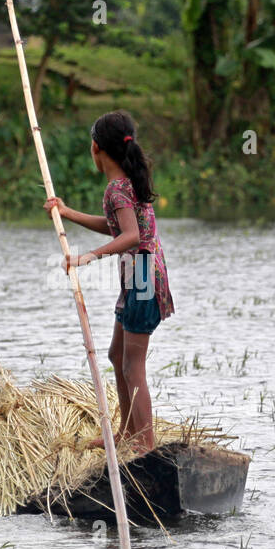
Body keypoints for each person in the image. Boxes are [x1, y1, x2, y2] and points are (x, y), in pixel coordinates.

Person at [44, 110, 174, 453]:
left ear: (96, 149)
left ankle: (143, 444)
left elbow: (129, 236)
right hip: (138, 275)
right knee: (118, 356)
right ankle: (126, 433)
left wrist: (87, 258)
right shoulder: (125, 184)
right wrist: (68, 213)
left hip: (142, 276)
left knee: (133, 364)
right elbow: (117, 226)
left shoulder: (119, 189)